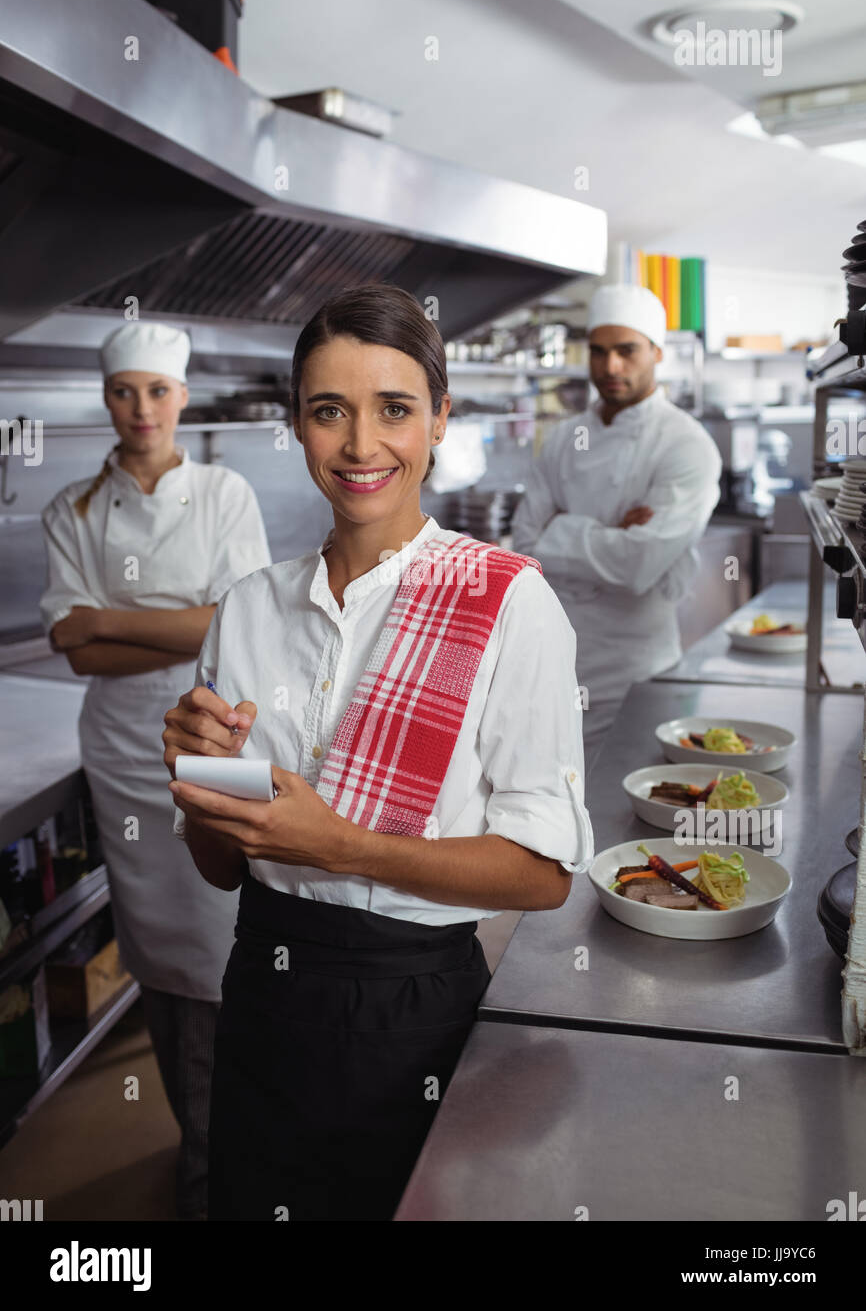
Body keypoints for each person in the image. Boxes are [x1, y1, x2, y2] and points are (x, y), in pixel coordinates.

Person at [163, 284, 593, 1222]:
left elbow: (543, 873)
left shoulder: (509, 605)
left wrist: (339, 845)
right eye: (330, 412)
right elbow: (223, 867)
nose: (362, 447)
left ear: (439, 418)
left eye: (395, 409)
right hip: (266, 991)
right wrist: (196, 784)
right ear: (299, 428)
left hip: (418, 1004)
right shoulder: (247, 609)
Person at [39, 321, 271, 1221]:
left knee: (230, 935)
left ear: (182, 397)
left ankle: (237, 1154)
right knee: (166, 956)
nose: (142, 409)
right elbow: (72, 647)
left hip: (218, 735)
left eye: (158, 392)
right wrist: (178, 621)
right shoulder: (74, 508)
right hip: (124, 753)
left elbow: (235, 625)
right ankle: (204, 1160)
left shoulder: (223, 491)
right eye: (124, 392)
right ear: (107, 399)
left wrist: (109, 620)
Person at [511, 284, 722, 765]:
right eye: (599, 351)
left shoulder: (685, 445)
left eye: (626, 351)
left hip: (638, 673)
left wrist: (561, 529)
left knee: (626, 814)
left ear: (656, 352)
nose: (610, 368)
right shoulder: (565, 437)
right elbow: (525, 546)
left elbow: (638, 564)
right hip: (555, 662)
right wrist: (612, 534)